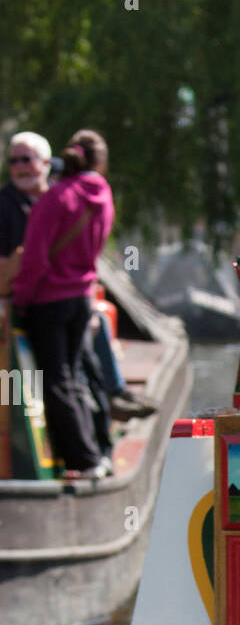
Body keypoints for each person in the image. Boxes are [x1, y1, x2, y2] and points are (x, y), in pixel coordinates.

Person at [12, 129, 115, 480]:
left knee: (53, 382)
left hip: (48, 301)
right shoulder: (103, 194)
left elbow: (35, 261)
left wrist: (22, 300)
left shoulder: (55, 199)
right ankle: (98, 453)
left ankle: (83, 459)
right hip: (81, 298)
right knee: (75, 377)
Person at [0, 132, 53, 295]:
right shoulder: (3, 202)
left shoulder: (62, 200)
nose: (19, 166)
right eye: (13, 161)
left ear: (46, 162)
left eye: (26, 159)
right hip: (16, 297)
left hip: (58, 294)